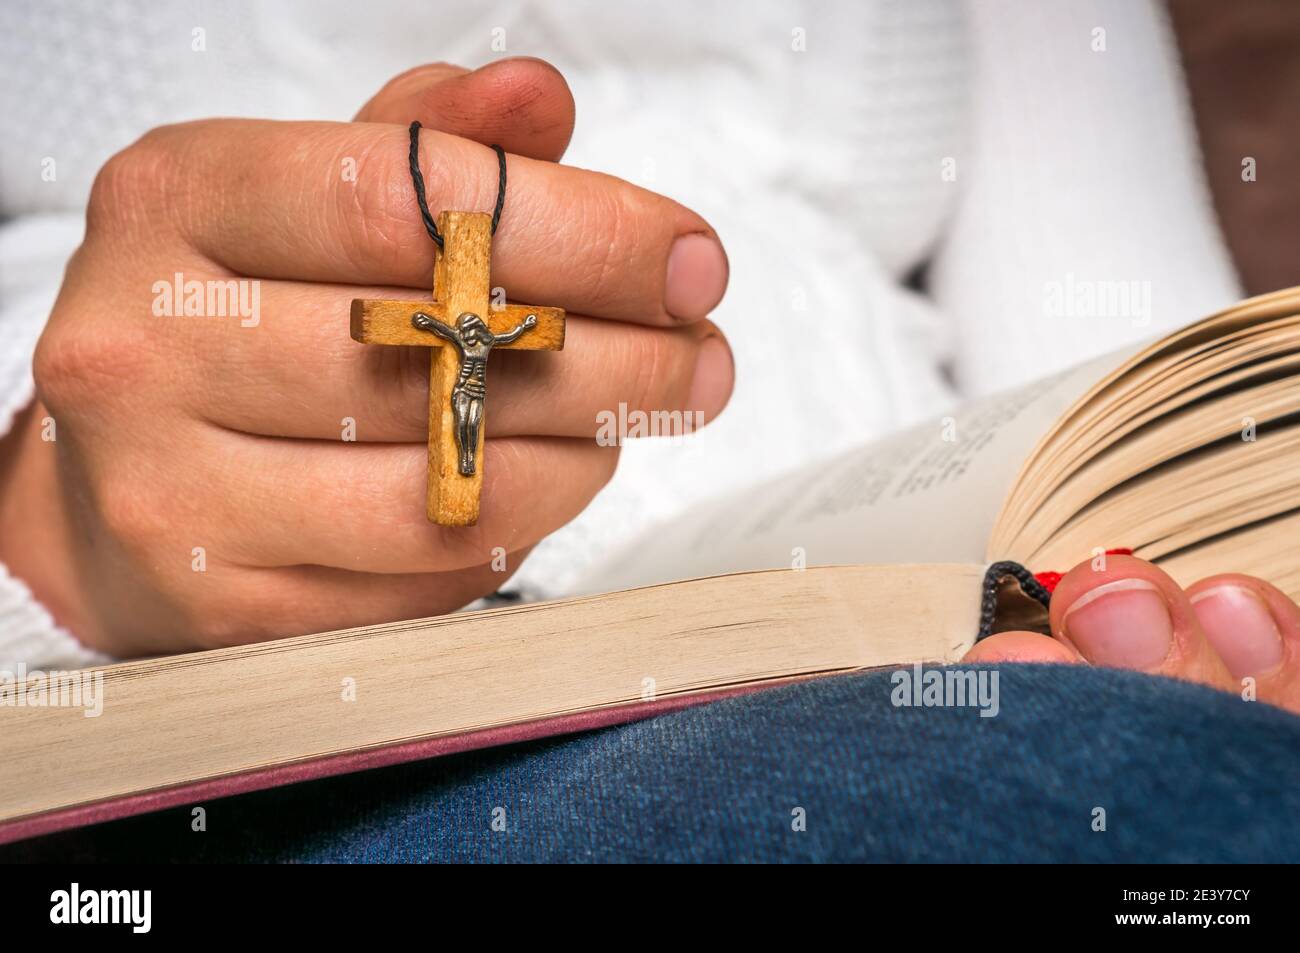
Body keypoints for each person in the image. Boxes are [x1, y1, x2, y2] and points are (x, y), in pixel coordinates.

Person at [0, 1, 1296, 861]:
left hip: (927, 640)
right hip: (274, 732)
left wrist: (1208, 555)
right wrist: (53, 545)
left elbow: (1123, 353)